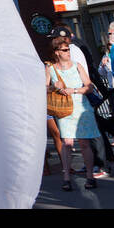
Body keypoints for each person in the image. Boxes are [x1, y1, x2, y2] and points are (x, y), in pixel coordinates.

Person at [47, 37, 100, 191]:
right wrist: (53, 87)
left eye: (68, 49)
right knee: (67, 143)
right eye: (64, 50)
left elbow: (89, 86)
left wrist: (74, 90)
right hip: (64, 109)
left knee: (84, 143)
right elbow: (44, 88)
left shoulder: (77, 66)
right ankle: (66, 177)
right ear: (57, 53)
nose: (68, 52)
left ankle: (90, 176)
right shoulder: (50, 69)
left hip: (81, 107)